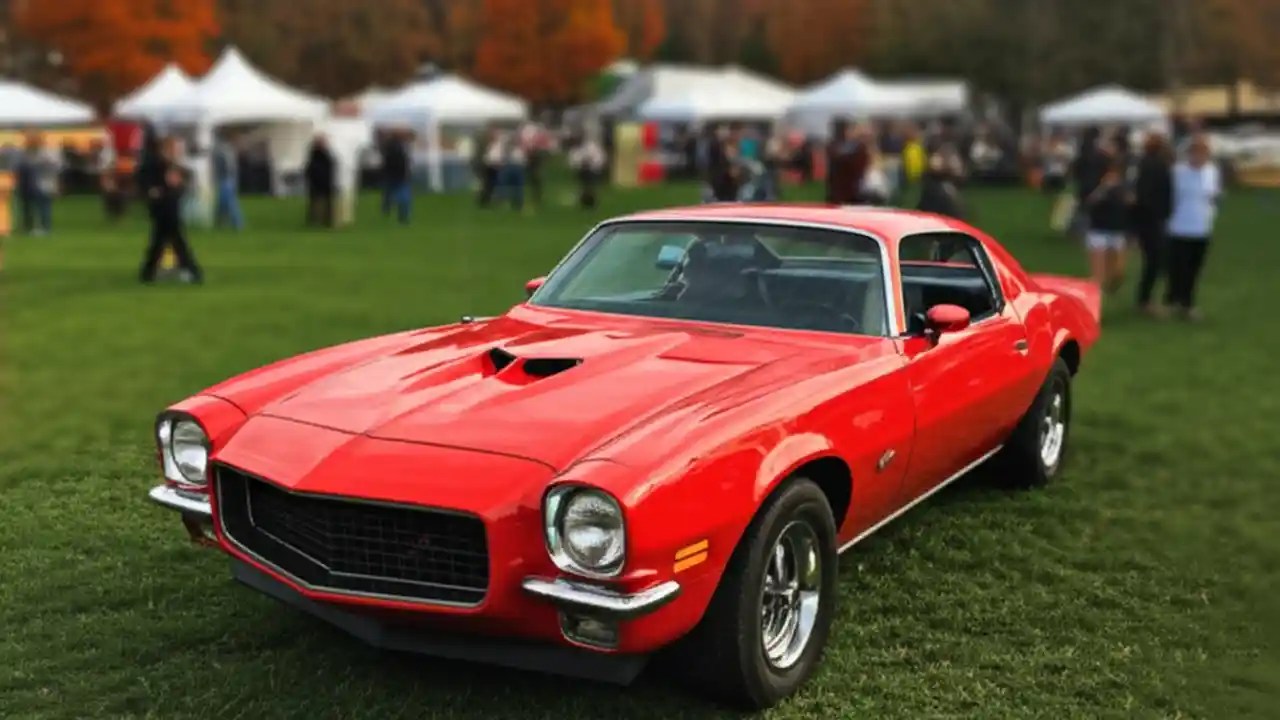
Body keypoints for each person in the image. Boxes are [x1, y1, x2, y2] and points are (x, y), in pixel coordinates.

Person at [1165, 135, 1221, 321]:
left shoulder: (1212, 172)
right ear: (1189, 154)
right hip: (1179, 226)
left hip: (1202, 228)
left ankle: (1187, 303)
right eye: (1196, 153)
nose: (1199, 157)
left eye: (1203, 154)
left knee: (1194, 269)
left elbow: (1213, 196)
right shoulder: (1178, 172)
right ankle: (1172, 301)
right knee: (1177, 267)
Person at [139, 137, 202, 284]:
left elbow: (183, 182)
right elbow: (143, 179)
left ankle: (147, 273)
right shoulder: (154, 163)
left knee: (161, 241)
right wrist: (152, 190)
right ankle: (191, 271)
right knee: (175, 240)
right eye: (174, 149)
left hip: (170, 205)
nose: (177, 152)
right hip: (162, 207)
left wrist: (179, 185)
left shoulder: (173, 165)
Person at [1132, 132, 1174, 316]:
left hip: (1148, 219)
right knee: (1155, 261)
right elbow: (1149, 195)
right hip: (1152, 220)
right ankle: (1145, 300)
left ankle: (1146, 298)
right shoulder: (1156, 166)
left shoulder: (1146, 164)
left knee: (1154, 261)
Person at [1083, 156, 1131, 295]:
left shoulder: (1124, 186)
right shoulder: (1096, 183)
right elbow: (1090, 202)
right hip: (1099, 229)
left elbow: (1130, 203)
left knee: (1118, 270)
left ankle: (1111, 287)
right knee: (1098, 270)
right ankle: (1096, 291)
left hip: (1117, 230)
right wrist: (1104, 188)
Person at [917, 146, 965, 219]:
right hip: (936, 187)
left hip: (948, 184)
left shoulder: (954, 159)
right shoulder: (935, 159)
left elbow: (960, 174)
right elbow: (933, 170)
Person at [304, 134, 336, 228]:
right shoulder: (316, 154)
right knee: (316, 201)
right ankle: (317, 218)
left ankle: (325, 219)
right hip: (318, 181)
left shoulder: (321, 154)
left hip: (324, 181)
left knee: (325, 202)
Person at [212, 134, 243, 230]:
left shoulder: (222, 152)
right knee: (223, 203)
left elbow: (227, 168)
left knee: (229, 202)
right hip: (227, 179)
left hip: (226, 179)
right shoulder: (227, 151)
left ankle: (237, 223)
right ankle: (223, 223)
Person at [568, 132, 606, 209]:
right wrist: (580, 164)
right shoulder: (576, 149)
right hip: (582, 171)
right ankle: (585, 201)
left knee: (591, 187)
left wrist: (592, 164)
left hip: (592, 170)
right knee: (584, 186)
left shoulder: (591, 147)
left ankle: (591, 201)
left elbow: (599, 157)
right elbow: (573, 161)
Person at [381, 131, 411, 223]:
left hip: (391, 175)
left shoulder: (387, 148)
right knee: (403, 197)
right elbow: (405, 162)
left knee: (389, 193)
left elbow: (385, 162)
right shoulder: (401, 149)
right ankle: (403, 215)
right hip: (401, 175)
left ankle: (386, 208)